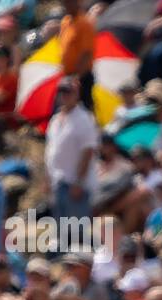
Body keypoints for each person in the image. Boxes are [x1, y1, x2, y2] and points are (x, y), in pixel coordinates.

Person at [45, 77, 98, 221]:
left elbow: (88, 152)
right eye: (62, 91)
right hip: (58, 182)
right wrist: (47, 179)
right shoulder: (55, 120)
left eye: (68, 91)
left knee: (77, 235)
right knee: (61, 232)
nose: (64, 95)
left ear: (77, 93)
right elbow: (50, 151)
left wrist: (79, 182)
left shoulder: (84, 118)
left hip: (75, 184)